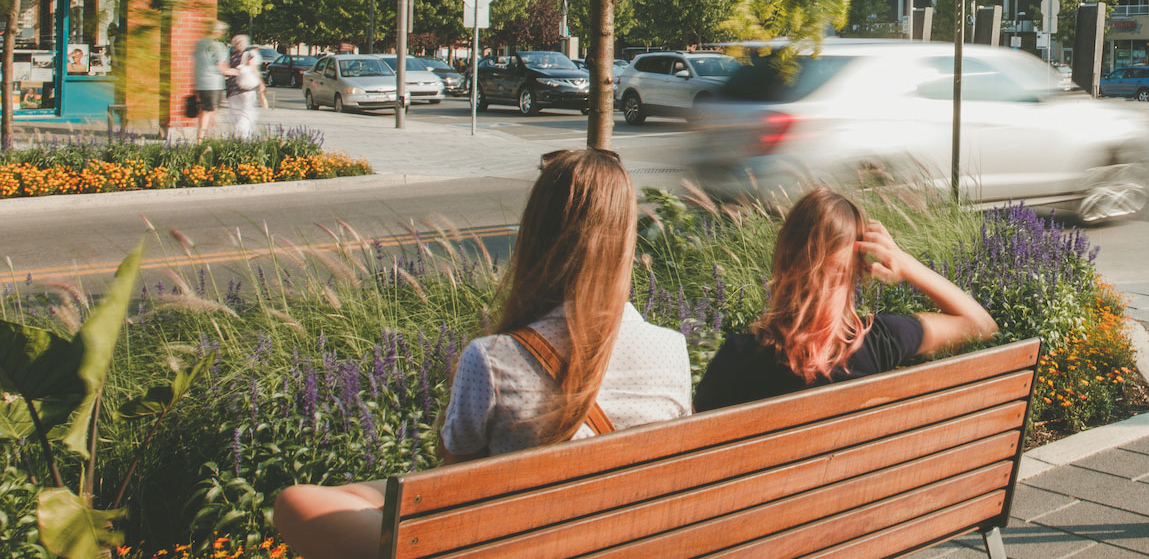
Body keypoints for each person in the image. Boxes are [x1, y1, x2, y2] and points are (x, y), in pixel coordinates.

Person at [273, 149, 691, 559]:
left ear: (535, 236)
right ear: (625, 242)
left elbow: (455, 476)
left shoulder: (493, 358)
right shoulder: (672, 348)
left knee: (296, 501)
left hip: (517, 543)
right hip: (629, 540)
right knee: (374, 493)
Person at [693, 188, 998, 412]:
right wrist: (905, 263)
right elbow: (981, 324)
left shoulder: (737, 358)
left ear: (784, 264)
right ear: (856, 273)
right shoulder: (879, 342)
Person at [191, 20, 228, 140]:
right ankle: (202, 138)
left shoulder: (199, 44)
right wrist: (236, 72)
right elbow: (221, 67)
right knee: (209, 111)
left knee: (209, 110)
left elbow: (195, 62)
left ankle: (208, 136)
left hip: (200, 82)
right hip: (213, 83)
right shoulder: (218, 46)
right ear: (218, 32)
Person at [225, 34, 265, 139]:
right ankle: (245, 136)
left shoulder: (230, 56)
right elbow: (254, 69)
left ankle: (236, 134)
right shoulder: (248, 55)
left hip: (232, 89)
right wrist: (260, 83)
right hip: (246, 89)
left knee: (235, 114)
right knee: (246, 112)